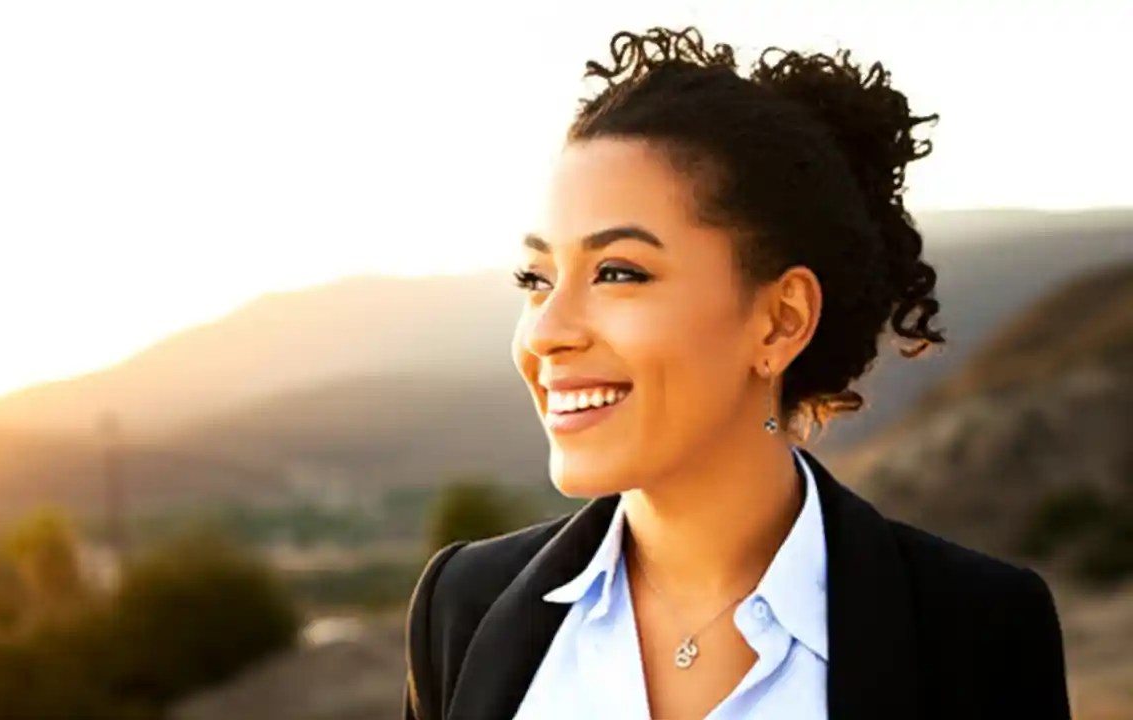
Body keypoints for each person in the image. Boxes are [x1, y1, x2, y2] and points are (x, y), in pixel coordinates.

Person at [403, 26, 1070, 720]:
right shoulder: (462, 604)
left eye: (618, 272)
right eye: (536, 279)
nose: (545, 331)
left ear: (781, 320)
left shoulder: (978, 630)